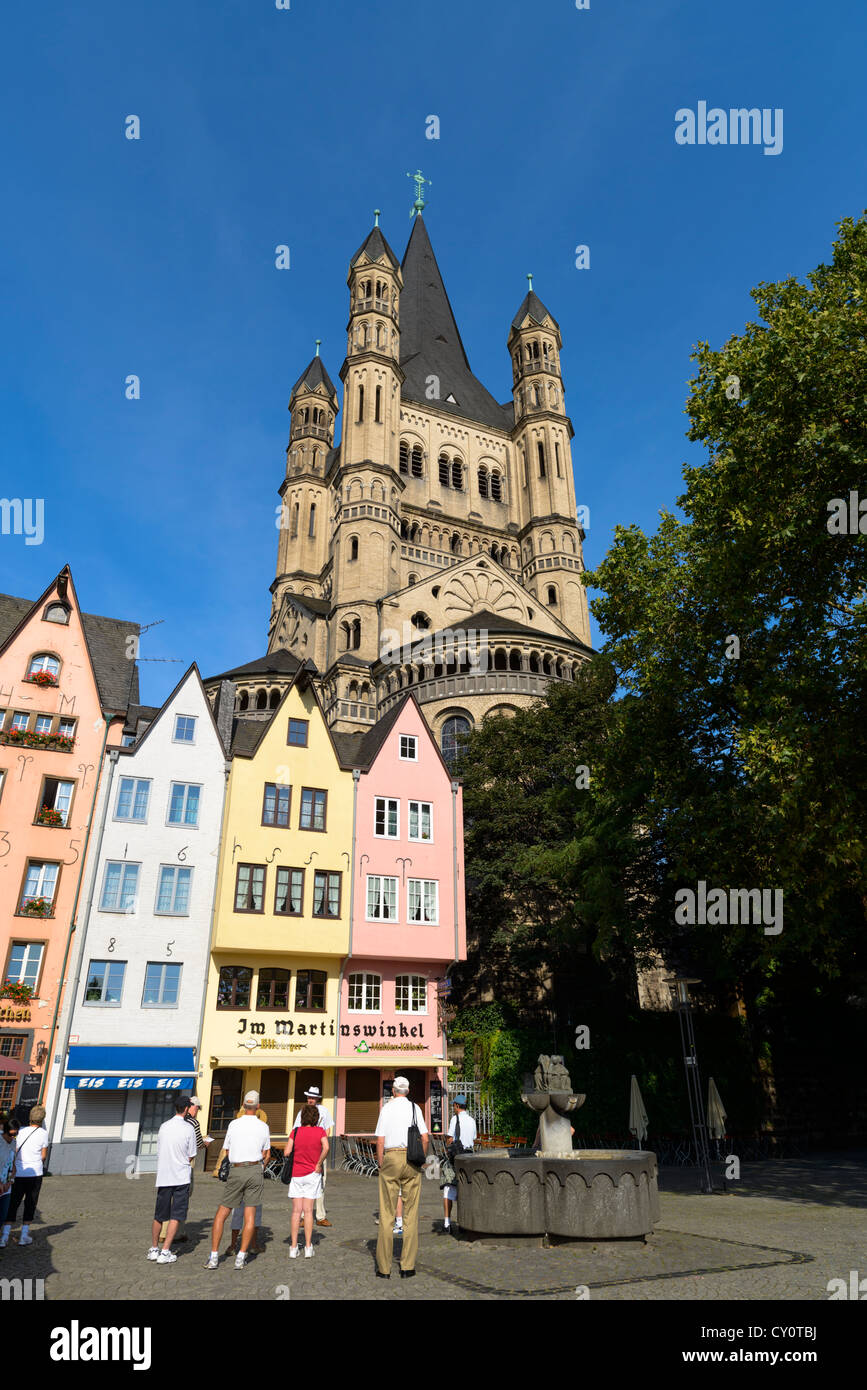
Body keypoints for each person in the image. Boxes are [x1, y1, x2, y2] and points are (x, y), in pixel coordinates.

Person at [206, 1090, 270, 1270]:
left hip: (237, 1169)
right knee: (250, 1216)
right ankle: (241, 1257)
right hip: (255, 1170)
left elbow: (226, 1150)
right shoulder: (263, 1127)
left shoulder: (234, 1124)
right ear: (258, 1106)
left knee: (222, 1213)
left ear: (243, 1105)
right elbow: (266, 1153)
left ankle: (213, 1257)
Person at [374, 1077, 428, 1279]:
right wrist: (420, 1160)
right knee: (411, 1214)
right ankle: (407, 1266)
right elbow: (425, 1137)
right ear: (408, 1090)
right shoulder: (415, 1108)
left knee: (387, 1213)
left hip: (391, 1156)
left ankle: (384, 1268)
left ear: (394, 1091)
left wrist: (381, 1163)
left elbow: (380, 1140)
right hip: (411, 1159)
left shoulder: (386, 1109)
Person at [146, 1096, 196, 1265]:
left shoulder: (164, 1126)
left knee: (159, 1214)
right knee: (176, 1214)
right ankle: (166, 1250)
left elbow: (159, 1149)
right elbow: (191, 1154)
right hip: (181, 1175)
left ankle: (153, 1248)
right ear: (187, 1109)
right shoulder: (188, 1128)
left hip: (164, 1175)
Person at [284, 1103, 328, 1259]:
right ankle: (308, 1247)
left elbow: (287, 1151)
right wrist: (318, 1163)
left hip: (297, 1174)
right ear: (316, 1118)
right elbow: (326, 1147)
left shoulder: (295, 1132)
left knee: (297, 1211)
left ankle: (293, 1247)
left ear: (302, 1117)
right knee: (309, 1211)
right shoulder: (320, 1131)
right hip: (312, 1174)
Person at [1, 1105, 49, 1248]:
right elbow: (43, 1156)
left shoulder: (20, 1131)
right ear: (42, 1119)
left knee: (13, 1203)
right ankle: (23, 1236)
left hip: (19, 1172)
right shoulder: (43, 1133)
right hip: (35, 1173)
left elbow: (14, 1150)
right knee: (30, 1202)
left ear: (30, 1117)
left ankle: (4, 1237)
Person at [291, 1085, 333, 1226]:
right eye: (309, 1097)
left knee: (321, 1183)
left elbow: (328, 1129)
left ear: (317, 1099)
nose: (310, 1100)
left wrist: (320, 1141)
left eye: (313, 1097)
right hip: (304, 1152)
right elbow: (296, 1129)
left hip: (319, 1151)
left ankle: (320, 1216)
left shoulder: (324, 1111)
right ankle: (303, 1216)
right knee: (302, 1181)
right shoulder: (301, 1112)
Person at [441, 1095, 477, 1232]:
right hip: (469, 1157)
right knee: (465, 1189)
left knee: (448, 1188)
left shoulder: (454, 1119)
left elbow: (450, 1139)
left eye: (453, 1105)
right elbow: (473, 1138)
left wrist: (446, 1145)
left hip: (456, 1158)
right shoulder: (472, 1120)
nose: (453, 1108)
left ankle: (447, 1223)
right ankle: (465, 1222)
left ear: (457, 1105)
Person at [0, 1120, 17, 1241]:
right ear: (4, 1132)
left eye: (15, 1134)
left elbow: (13, 1164)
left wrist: (11, 1181)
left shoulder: (13, 1143)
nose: (12, 1137)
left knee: (2, 1216)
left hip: (7, 1187)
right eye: (10, 1135)